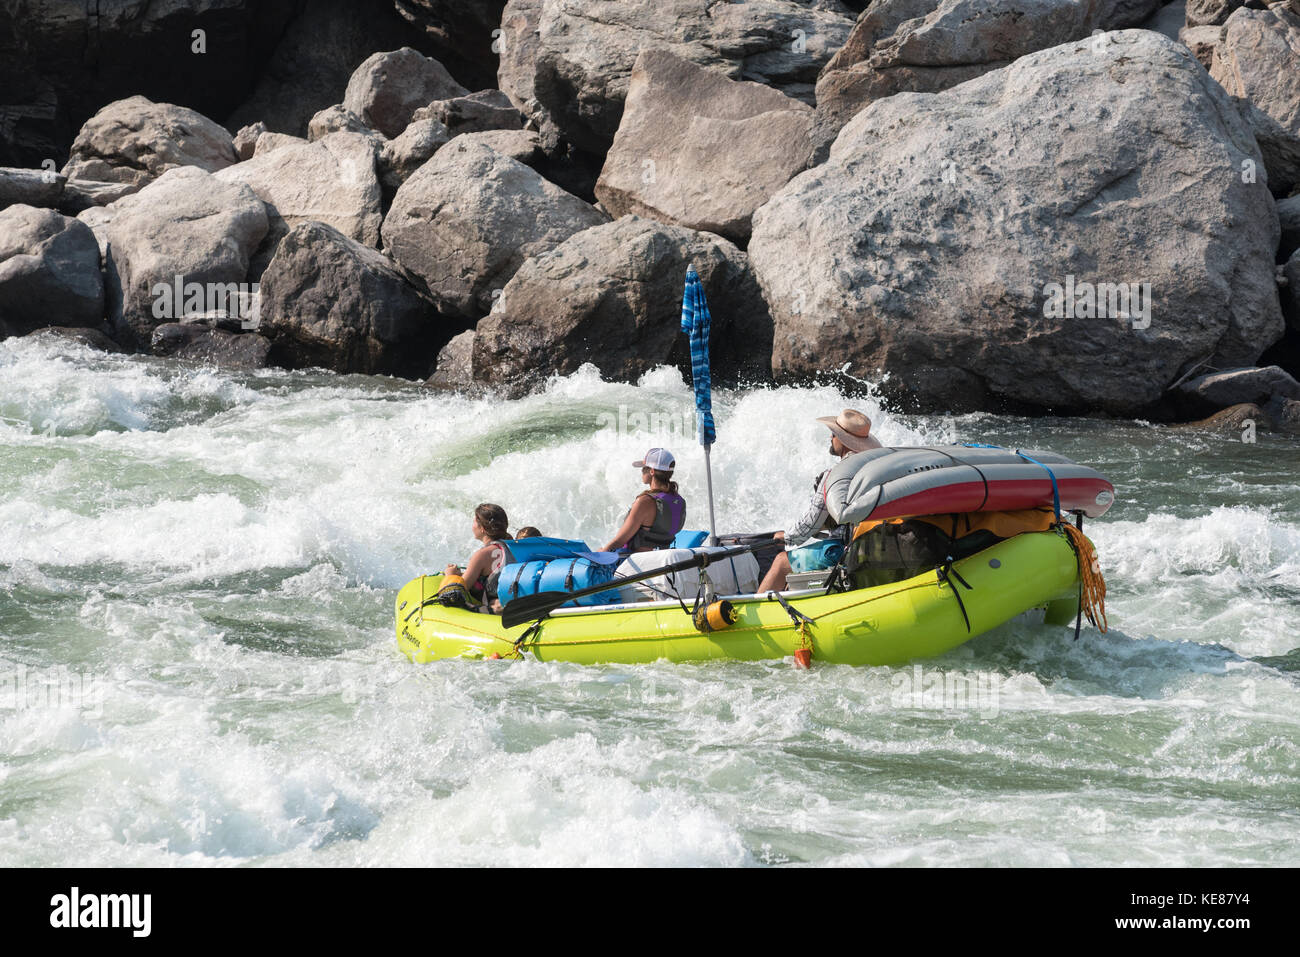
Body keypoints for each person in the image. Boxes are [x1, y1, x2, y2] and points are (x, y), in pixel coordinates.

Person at [757, 409, 882, 593]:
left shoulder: (835, 476)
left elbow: (810, 524)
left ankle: (753, 615)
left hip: (842, 552)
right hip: (870, 548)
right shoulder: (873, 471)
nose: (830, 437)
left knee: (782, 562)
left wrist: (787, 536)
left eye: (834, 434)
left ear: (844, 441)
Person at [601, 448, 687, 553]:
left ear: (652, 471)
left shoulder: (645, 501)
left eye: (643, 468)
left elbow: (619, 541)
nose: (641, 472)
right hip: (662, 560)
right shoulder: (679, 501)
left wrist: (600, 553)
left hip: (639, 563)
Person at [442, 503, 513, 611]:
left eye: (474, 521)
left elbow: (458, 591)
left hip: (496, 612)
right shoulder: (513, 545)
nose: (472, 525)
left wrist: (450, 575)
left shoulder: (482, 555)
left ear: (483, 528)